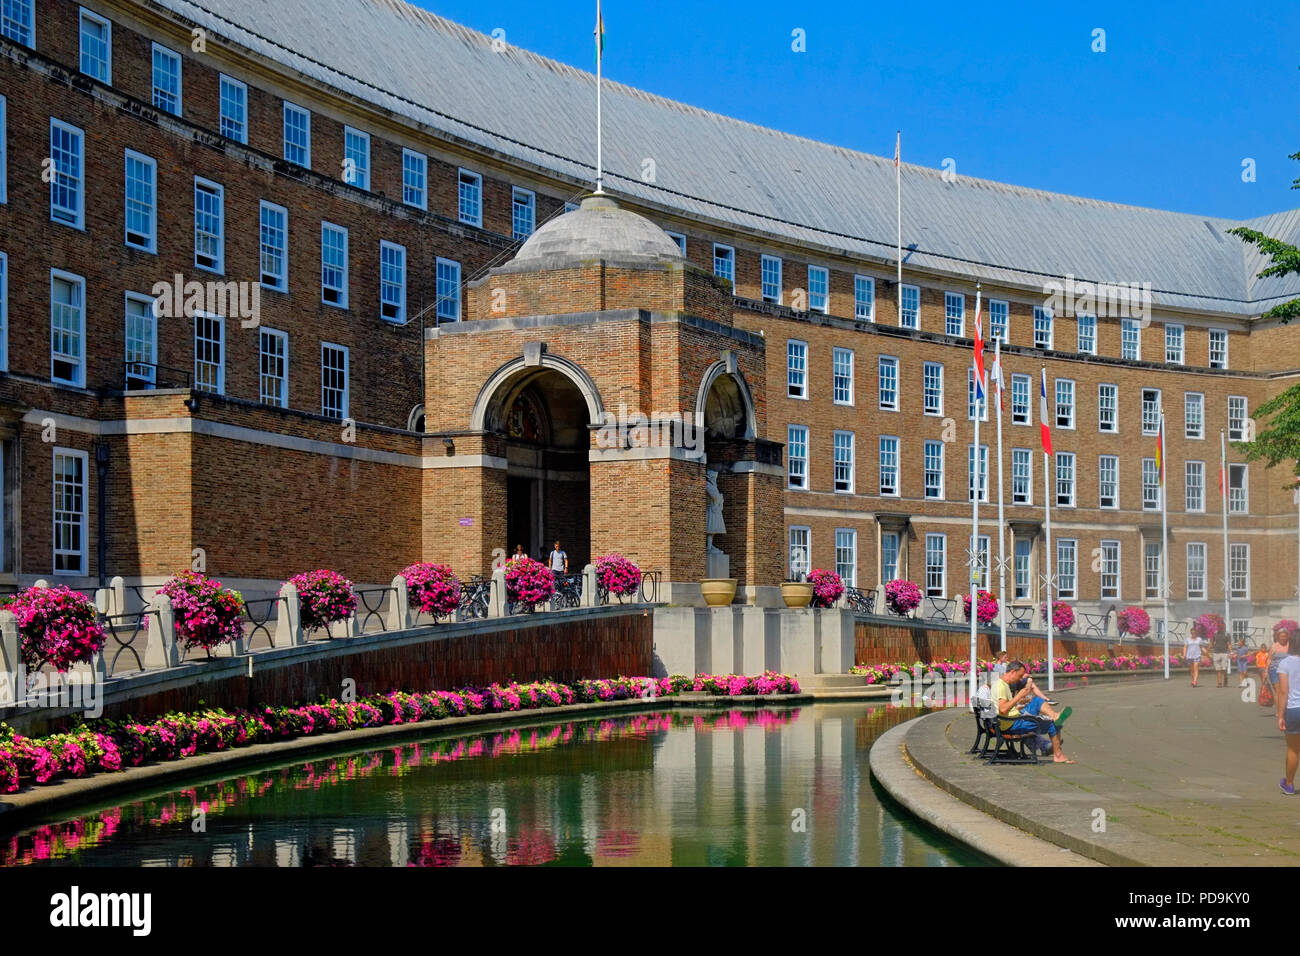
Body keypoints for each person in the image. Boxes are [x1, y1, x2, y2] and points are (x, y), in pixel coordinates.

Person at [994, 661, 1074, 764]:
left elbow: (1003, 708)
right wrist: (1018, 697)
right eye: (1020, 675)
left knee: (1036, 701)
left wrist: (1018, 704)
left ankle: (1055, 716)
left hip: (1009, 719)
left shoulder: (1001, 684)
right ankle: (1058, 755)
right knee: (1052, 724)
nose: (1021, 679)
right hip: (1011, 724)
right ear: (1013, 672)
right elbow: (1003, 709)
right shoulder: (1001, 686)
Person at [1276, 640, 1300, 794]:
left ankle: (1289, 784)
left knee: (1293, 749)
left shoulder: (1285, 663)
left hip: (1294, 708)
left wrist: (1280, 714)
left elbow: (1283, 692)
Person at [1212, 624, 1231, 688]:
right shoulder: (1215, 634)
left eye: (1221, 627)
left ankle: (1225, 677)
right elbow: (1212, 642)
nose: (1220, 628)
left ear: (1224, 627)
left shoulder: (1226, 634)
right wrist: (1208, 649)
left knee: (1224, 668)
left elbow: (1229, 644)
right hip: (1216, 652)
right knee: (1218, 669)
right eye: (1219, 626)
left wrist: (1231, 652)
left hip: (1224, 653)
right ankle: (1219, 683)